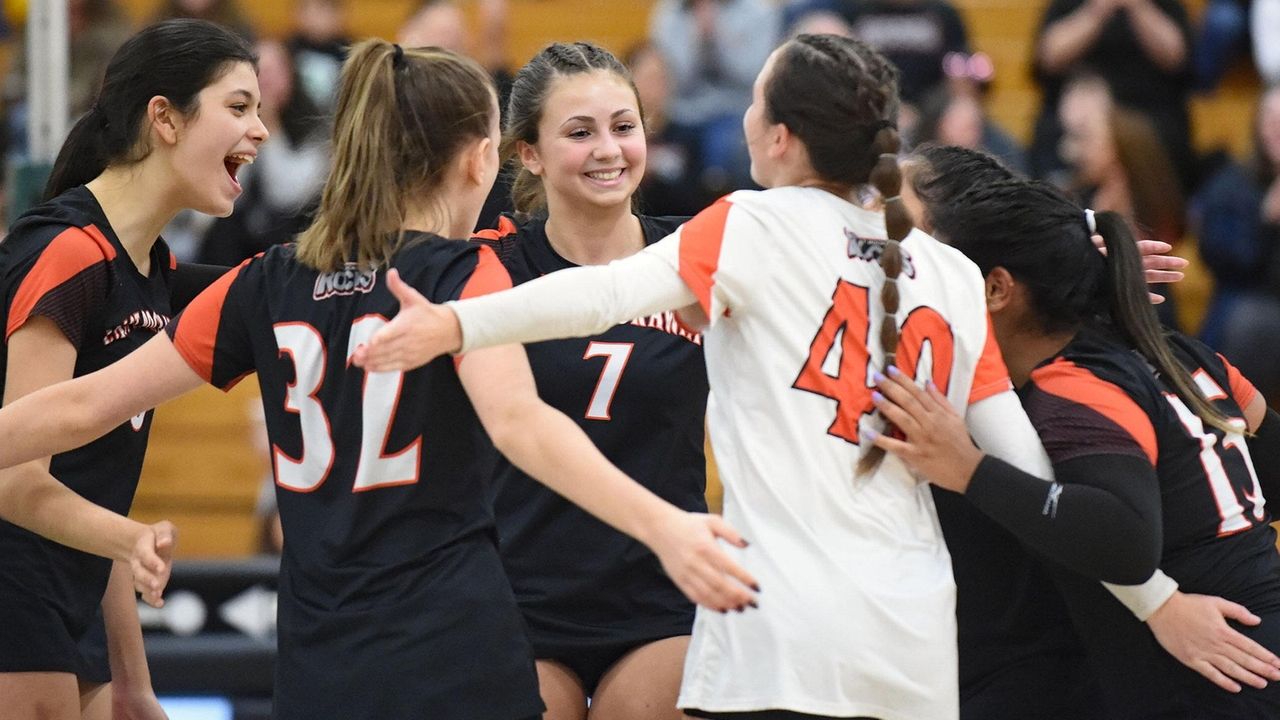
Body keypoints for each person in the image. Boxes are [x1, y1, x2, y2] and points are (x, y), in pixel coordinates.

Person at [354, 34, 1168, 719]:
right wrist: (1157, 600)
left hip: (778, 630)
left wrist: (456, 322)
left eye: (753, 101)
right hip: (912, 633)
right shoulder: (951, 272)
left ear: (779, 136)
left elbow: (603, 292)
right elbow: (1029, 476)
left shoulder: (746, 225)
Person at [0, 39, 756, 720]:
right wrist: (667, 525)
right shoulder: (470, 274)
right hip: (452, 647)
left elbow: (78, 407)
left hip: (318, 660)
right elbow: (520, 423)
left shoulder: (265, 279)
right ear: (479, 159)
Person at [873, 172, 1280, 718]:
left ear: (995, 288)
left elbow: (1124, 537)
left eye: (918, 245)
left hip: (1212, 676)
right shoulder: (1180, 352)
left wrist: (969, 468)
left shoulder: (1073, 382)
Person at [0, 19, 262, 720]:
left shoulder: (150, 270)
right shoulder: (66, 253)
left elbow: (95, 489)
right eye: (239, 107)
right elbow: (14, 478)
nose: (260, 129)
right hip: (15, 592)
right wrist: (132, 539)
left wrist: (133, 680)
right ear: (164, 119)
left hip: (72, 604)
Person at [473, 41, 709, 720]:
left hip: (663, 594)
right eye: (580, 133)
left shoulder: (696, 255)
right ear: (529, 154)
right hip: (517, 595)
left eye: (623, 126)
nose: (609, 149)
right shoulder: (491, 265)